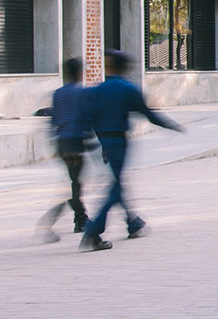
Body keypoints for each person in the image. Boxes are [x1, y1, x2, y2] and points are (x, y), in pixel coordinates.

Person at [81, 49, 184, 252]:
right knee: (116, 187)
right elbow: (149, 114)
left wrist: (99, 143)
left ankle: (133, 223)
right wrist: (172, 126)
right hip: (119, 142)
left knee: (117, 184)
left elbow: (88, 118)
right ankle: (93, 231)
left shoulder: (95, 91)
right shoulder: (128, 89)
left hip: (104, 141)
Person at [35, 58, 94, 243]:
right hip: (75, 143)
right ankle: (52, 223)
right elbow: (86, 118)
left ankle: (80, 218)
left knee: (74, 182)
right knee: (74, 185)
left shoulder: (58, 93)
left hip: (62, 142)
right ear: (79, 72)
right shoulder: (82, 93)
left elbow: (54, 119)